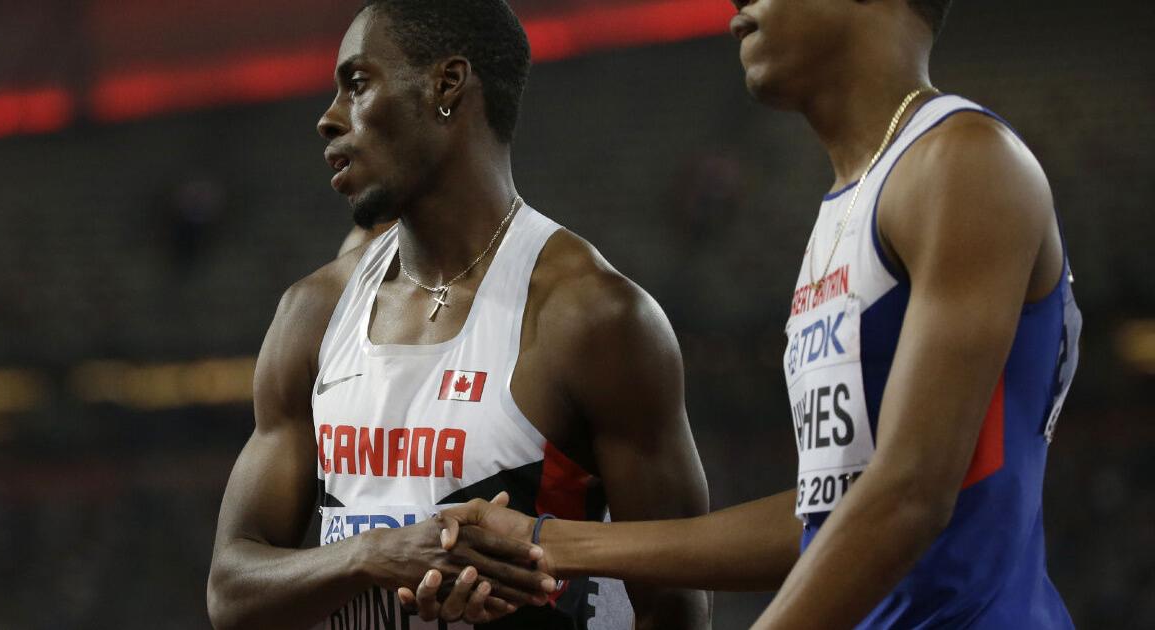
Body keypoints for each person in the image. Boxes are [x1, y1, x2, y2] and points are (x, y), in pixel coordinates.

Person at [409, 0, 1083, 628]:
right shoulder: (854, 201)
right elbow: (828, 517)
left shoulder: (961, 161)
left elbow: (909, 496)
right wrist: (544, 541)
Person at [205, 1, 711, 629]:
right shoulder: (313, 313)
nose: (328, 118)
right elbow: (231, 591)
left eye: (357, 84)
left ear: (446, 85)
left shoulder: (593, 317)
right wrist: (372, 555)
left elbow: (677, 605)